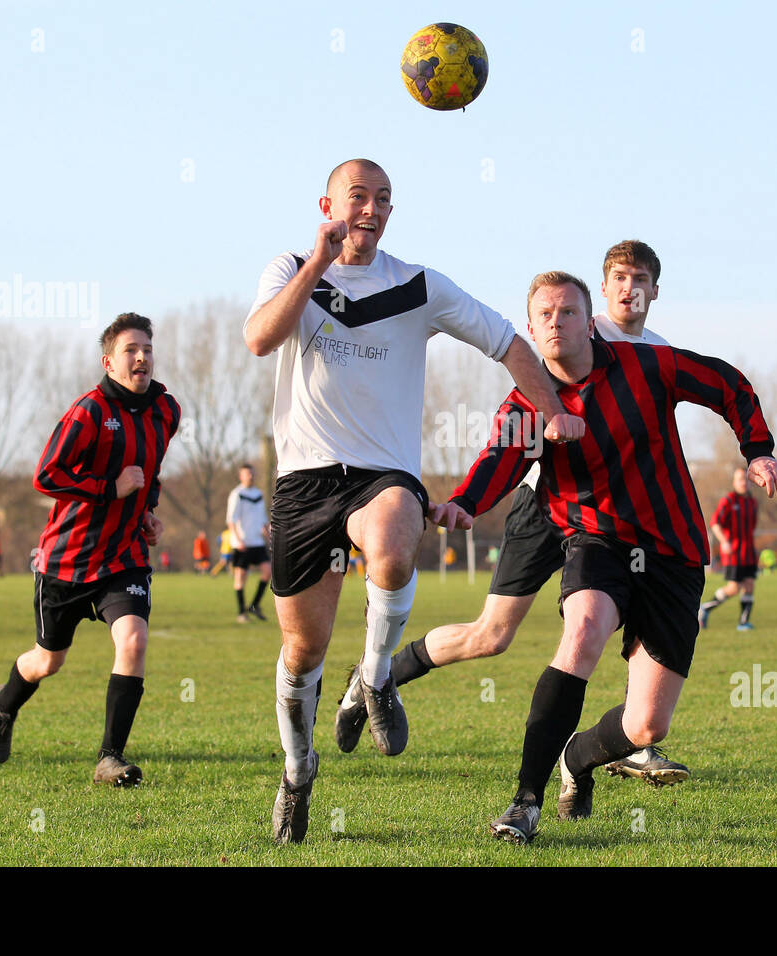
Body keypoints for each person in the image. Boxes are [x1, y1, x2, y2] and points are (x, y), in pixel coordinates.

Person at [243, 158, 581, 844]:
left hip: (382, 474)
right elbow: (259, 339)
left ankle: (375, 678)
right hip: (304, 482)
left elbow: (510, 344)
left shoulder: (419, 285)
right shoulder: (289, 269)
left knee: (396, 545)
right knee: (302, 652)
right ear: (327, 204)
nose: (370, 209)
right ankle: (298, 772)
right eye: (357, 197)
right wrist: (317, 263)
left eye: (383, 200)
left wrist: (552, 412)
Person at [429, 271, 777, 844]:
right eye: (544, 315)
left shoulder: (646, 365)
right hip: (596, 540)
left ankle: (577, 759)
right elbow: (500, 457)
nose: (556, 322)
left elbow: (729, 383)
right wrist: (464, 503)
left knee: (647, 723)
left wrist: (759, 452)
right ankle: (525, 802)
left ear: (588, 318)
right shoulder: (528, 402)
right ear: (530, 328)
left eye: (568, 312)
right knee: (583, 631)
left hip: (674, 550)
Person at [384, 240, 691, 786]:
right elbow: (515, 423)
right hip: (541, 505)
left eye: (640, 279)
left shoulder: (659, 354)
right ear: (603, 288)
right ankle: (382, 672)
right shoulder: (573, 329)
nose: (629, 288)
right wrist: (469, 499)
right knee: (492, 635)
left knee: (615, 607)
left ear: (655, 291)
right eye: (619, 277)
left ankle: (630, 739)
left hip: (606, 516)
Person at [0, 313, 180, 786]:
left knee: (133, 640)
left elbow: (148, 473)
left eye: (147, 349)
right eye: (131, 350)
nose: (142, 357)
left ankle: (110, 758)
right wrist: (110, 489)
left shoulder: (167, 411)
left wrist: (146, 511)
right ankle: (4, 703)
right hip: (67, 562)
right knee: (48, 660)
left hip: (124, 557)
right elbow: (47, 475)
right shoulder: (88, 412)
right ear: (108, 361)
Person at [698, 468, 760, 630]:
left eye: (745, 479)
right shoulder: (729, 501)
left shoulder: (752, 502)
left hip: (749, 553)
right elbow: (715, 523)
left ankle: (743, 622)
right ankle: (705, 608)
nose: (743, 482)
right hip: (734, 553)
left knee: (749, 585)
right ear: (734, 482)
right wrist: (724, 541)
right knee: (733, 588)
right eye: (740, 479)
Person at [227, 463, 272, 623]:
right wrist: (238, 540)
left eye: (252, 474)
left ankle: (254, 605)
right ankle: (241, 612)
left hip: (257, 542)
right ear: (241, 476)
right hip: (242, 543)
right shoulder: (236, 494)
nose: (250, 476)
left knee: (267, 571)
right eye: (247, 474)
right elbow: (231, 520)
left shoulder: (258, 494)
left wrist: (268, 535)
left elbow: (263, 520)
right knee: (241, 576)